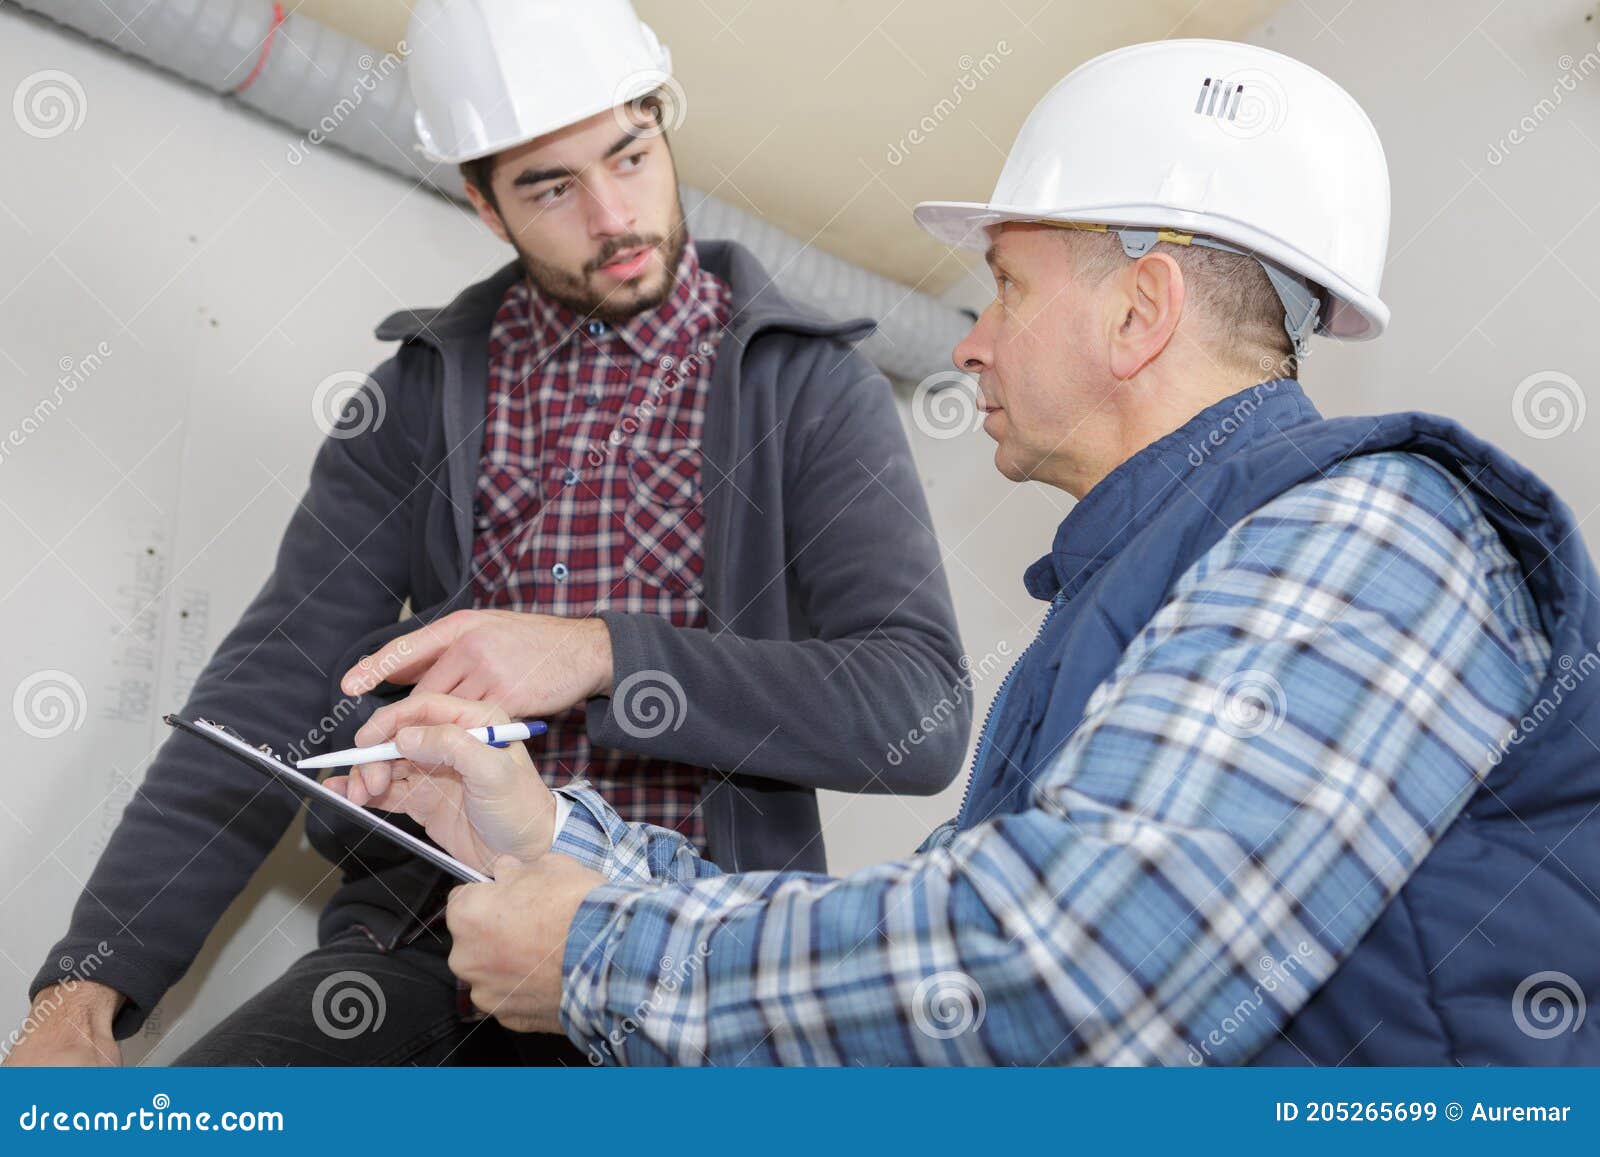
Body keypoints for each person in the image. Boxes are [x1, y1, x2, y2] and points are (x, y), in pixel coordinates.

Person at [335, 39, 1600, 1066]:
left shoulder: (1370, 532)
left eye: (1003, 286)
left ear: (1139, 310)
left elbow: (1070, 969)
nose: (969, 344)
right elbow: (947, 935)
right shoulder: (1150, 591)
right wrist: (539, 830)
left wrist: (600, 953)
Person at [8, 0, 964, 1067]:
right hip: (427, 937)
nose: (613, 215)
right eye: (552, 187)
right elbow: (267, 688)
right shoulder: (417, 397)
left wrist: (595, 653)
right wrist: (87, 981)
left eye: (630, 153)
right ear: (483, 202)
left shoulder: (810, 387)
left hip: (687, 946)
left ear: (661, 122)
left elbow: (917, 712)